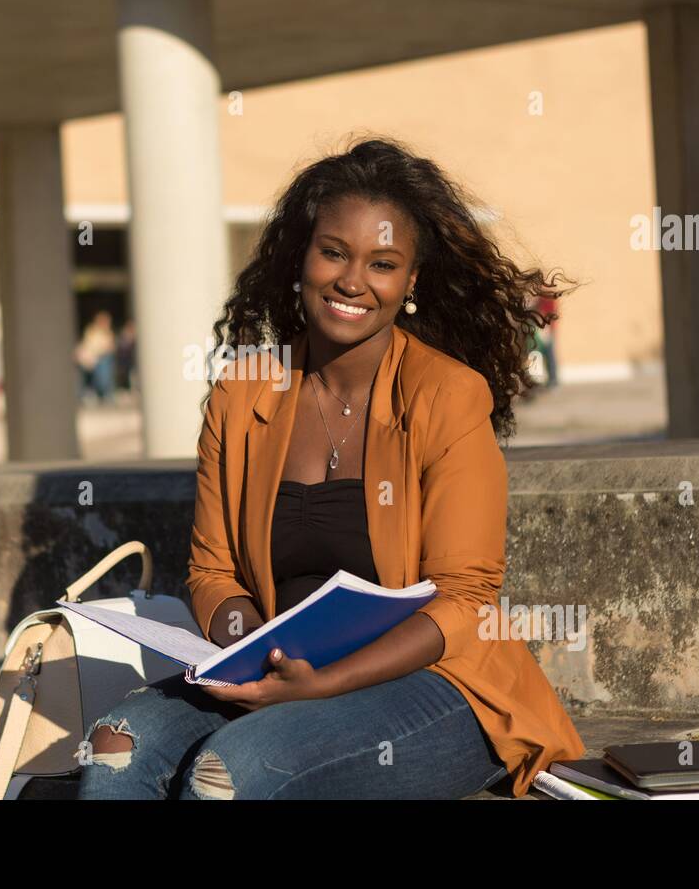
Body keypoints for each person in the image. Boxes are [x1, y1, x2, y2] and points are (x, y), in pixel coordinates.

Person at [76, 135, 584, 800]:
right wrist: (257, 649)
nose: (352, 281)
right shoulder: (244, 390)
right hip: (282, 672)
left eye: (382, 262)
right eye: (334, 252)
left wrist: (319, 684)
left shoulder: (447, 395)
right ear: (301, 257)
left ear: (410, 282)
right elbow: (213, 572)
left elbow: (466, 599)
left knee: (229, 772)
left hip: (440, 685)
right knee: (117, 742)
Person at [73, 311, 117, 405]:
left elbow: (109, 347)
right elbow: (86, 345)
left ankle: (105, 393)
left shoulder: (108, 333)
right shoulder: (91, 331)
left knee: (103, 369)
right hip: (89, 358)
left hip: (100, 358)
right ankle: (86, 392)